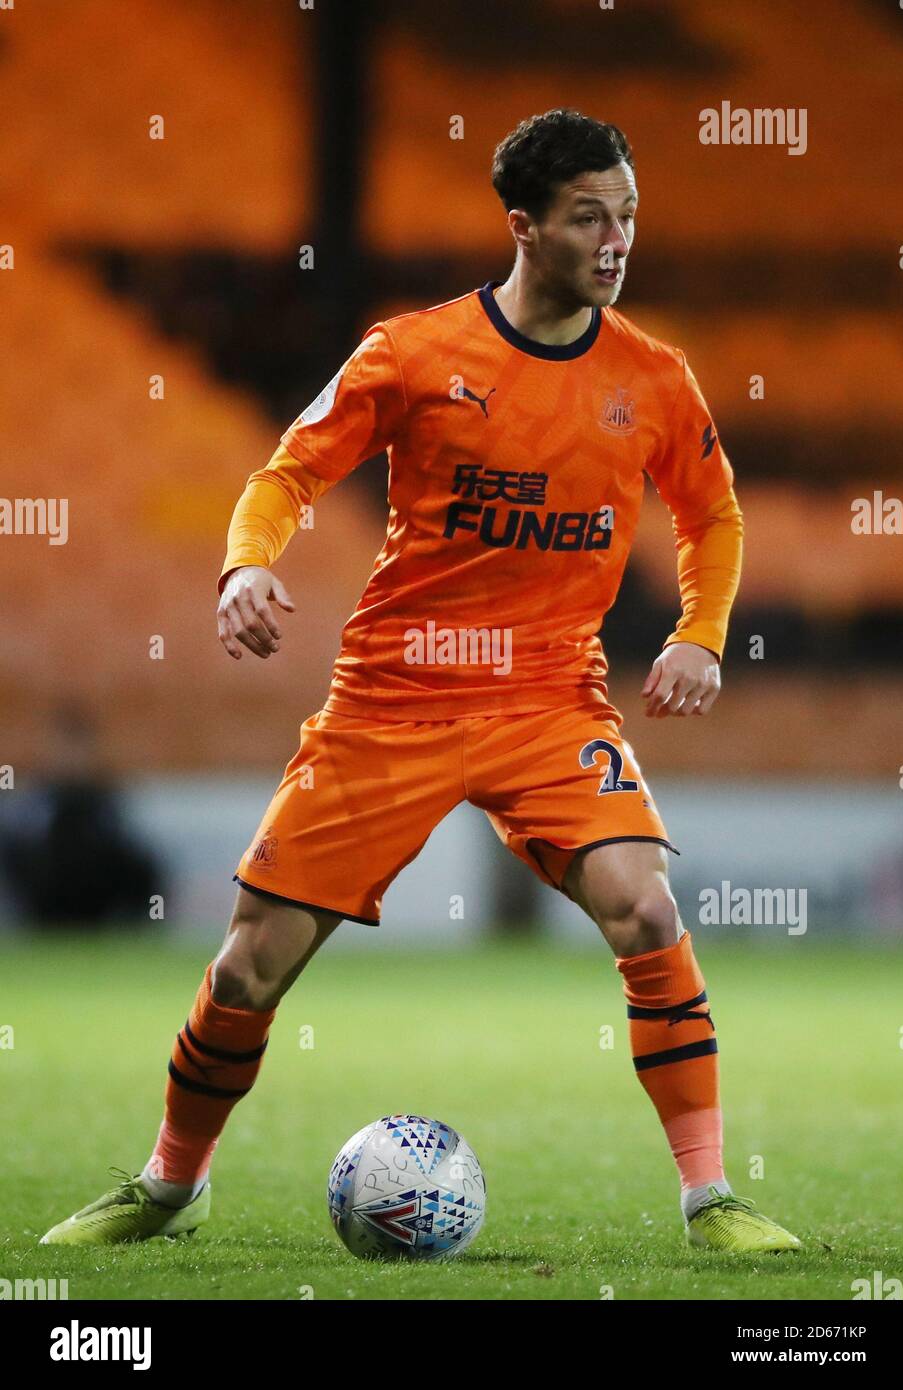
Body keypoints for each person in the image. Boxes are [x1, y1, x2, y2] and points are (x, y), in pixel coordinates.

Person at [41, 109, 800, 1252]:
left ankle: (709, 1199)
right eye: (588, 216)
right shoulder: (413, 353)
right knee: (249, 968)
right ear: (523, 227)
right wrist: (245, 564)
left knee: (643, 903)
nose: (615, 240)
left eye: (627, 215)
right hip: (392, 698)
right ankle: (169, 1184)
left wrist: (699, 631)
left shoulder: (652, 376)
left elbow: (714, 513)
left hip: (549, 700)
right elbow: (286, 473)